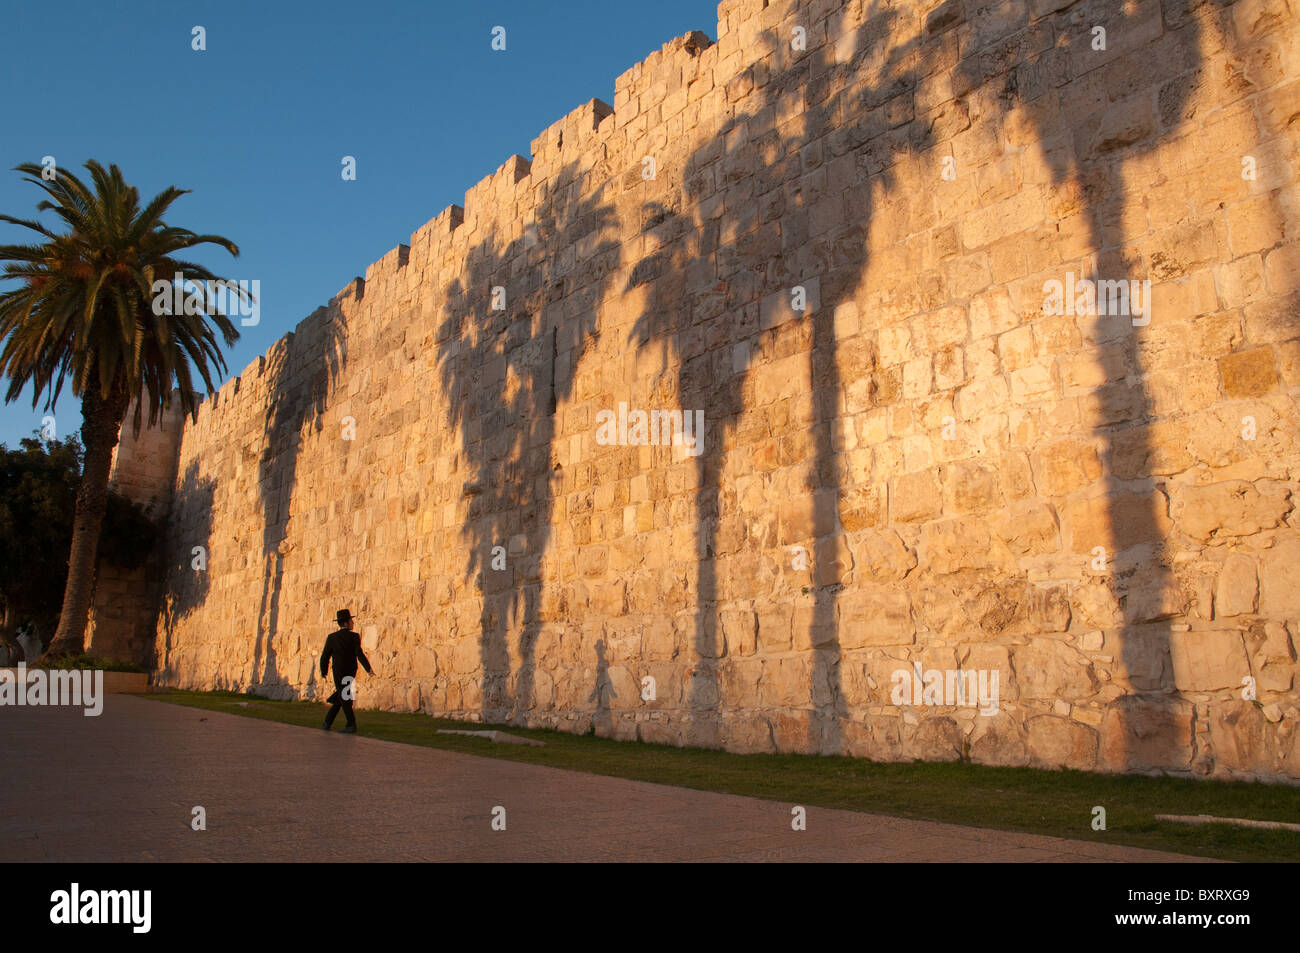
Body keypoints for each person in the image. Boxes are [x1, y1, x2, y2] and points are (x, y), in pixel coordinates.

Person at [320, 609, 373, 733]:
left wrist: (324, 671)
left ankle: (349, 724)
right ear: (345, 623)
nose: (353, 623)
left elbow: (325, 656)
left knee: (343, 695)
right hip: (350, 671)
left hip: (338, 671)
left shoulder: (332, 637)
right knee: (344, 695)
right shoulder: (354, 637)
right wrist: (368, 668)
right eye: (351, 621)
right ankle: (328, 722)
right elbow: (359, 654)